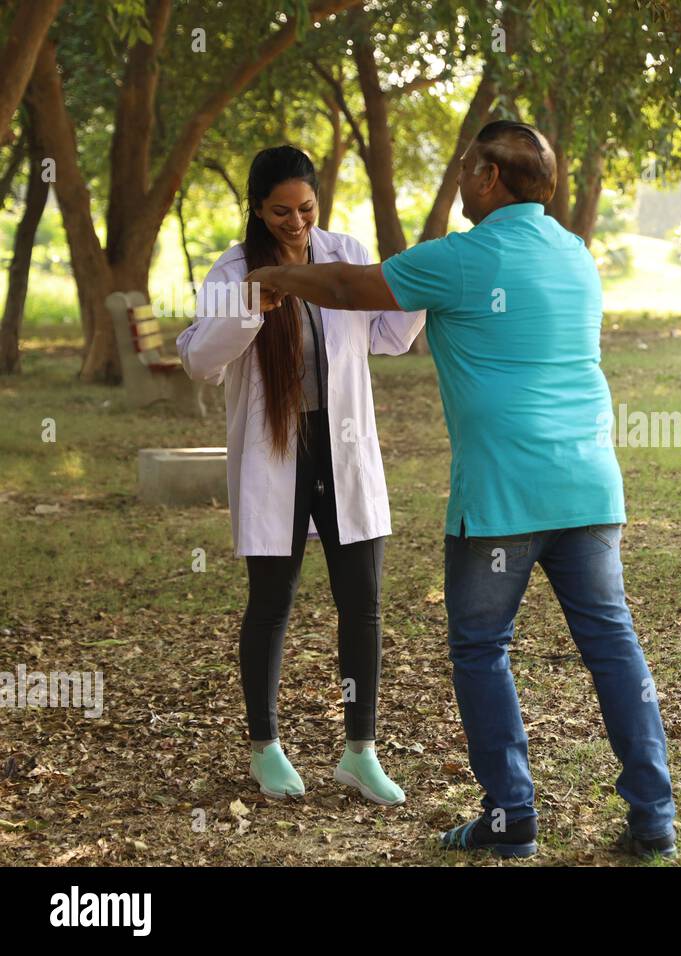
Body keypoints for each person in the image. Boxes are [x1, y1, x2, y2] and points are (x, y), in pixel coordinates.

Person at [246, 121, 677, 859]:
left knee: (481, 648)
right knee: (612, 642)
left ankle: (511, 817)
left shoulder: (466, 256)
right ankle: (654, 818)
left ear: (488, 179)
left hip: (504, 496)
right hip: (588, 486)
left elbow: (350, 285)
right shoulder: (576, 254)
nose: (457, 177)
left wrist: (276, 277)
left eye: (465, 166)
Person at [177, 145, 426, 806]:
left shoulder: (343, 252)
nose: (296, 222)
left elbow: (389, 338)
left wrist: (424, 288)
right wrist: (256, 302)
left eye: (307, 208)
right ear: (257, 209)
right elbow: (201, 359)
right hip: (275, 451)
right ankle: (266, 748)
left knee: (363, 602)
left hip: (342, 448)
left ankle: (360, 753)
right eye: (281, 211)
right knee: (272, 600)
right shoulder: (233, 270)